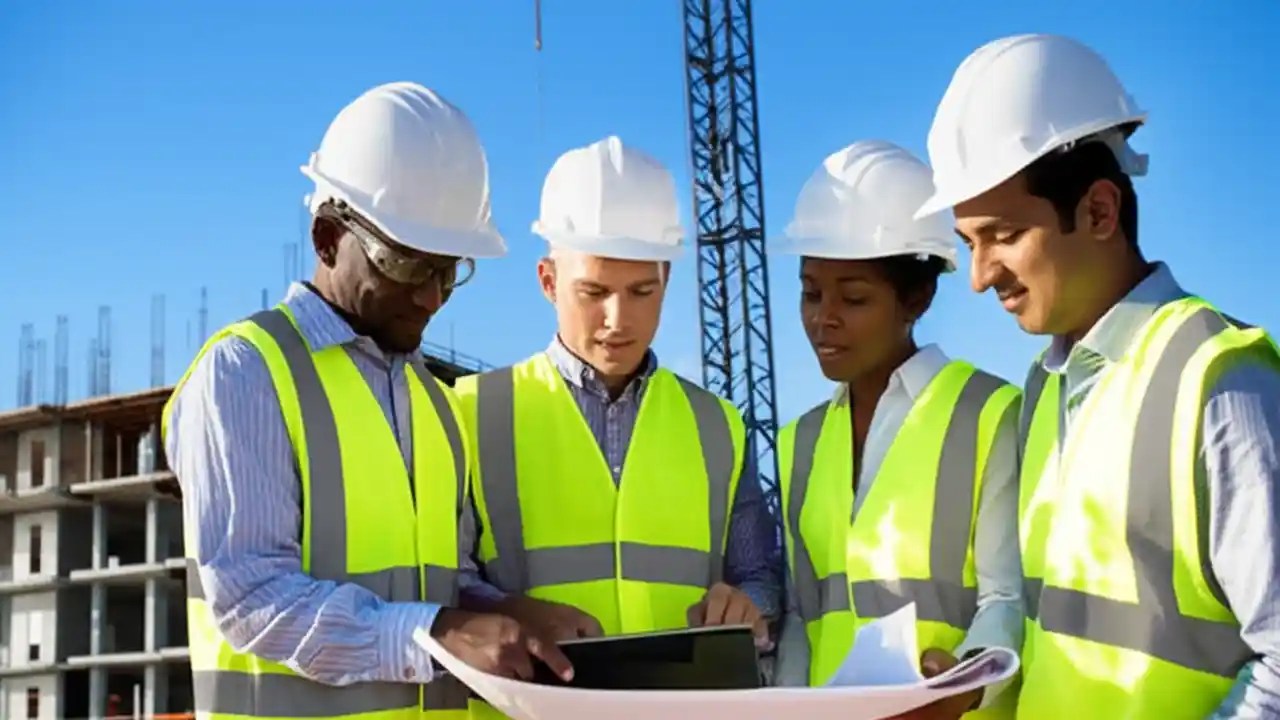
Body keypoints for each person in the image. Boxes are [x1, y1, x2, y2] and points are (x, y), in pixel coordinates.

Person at [162, 81, 572, 720]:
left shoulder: (435, 404)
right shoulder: (245, 373)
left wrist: (505, 612)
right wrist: (432, 634)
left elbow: (439, 581)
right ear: (328, 237)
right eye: (406, 265)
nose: (432, 297)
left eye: (449, 271)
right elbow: (250, 596)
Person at [914, 33, 1280, 719]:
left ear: (1099, 211)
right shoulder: (1047, 388)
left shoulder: (1220, 379)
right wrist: (972, 682)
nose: (979, 275)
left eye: (1002, 236)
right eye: (969, 244)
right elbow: (1055, 625)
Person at [451, 135, 784, 714]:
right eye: (594, 291)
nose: (617, 319)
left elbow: (761, 575)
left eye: (641, 292)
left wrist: (748, 604)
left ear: (667, 282)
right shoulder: (471, 410)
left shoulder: (719, 425)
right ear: (548, 281)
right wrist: (512, 611)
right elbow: (440, 583)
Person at [770, 141, 1023, 719]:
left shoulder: (987, 412)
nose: (822, 317)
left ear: (918, 296)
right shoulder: (797, 444)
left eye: (853, 298)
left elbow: (1007, 598)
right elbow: (800, 622)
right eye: (810, 292)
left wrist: (966, 682)